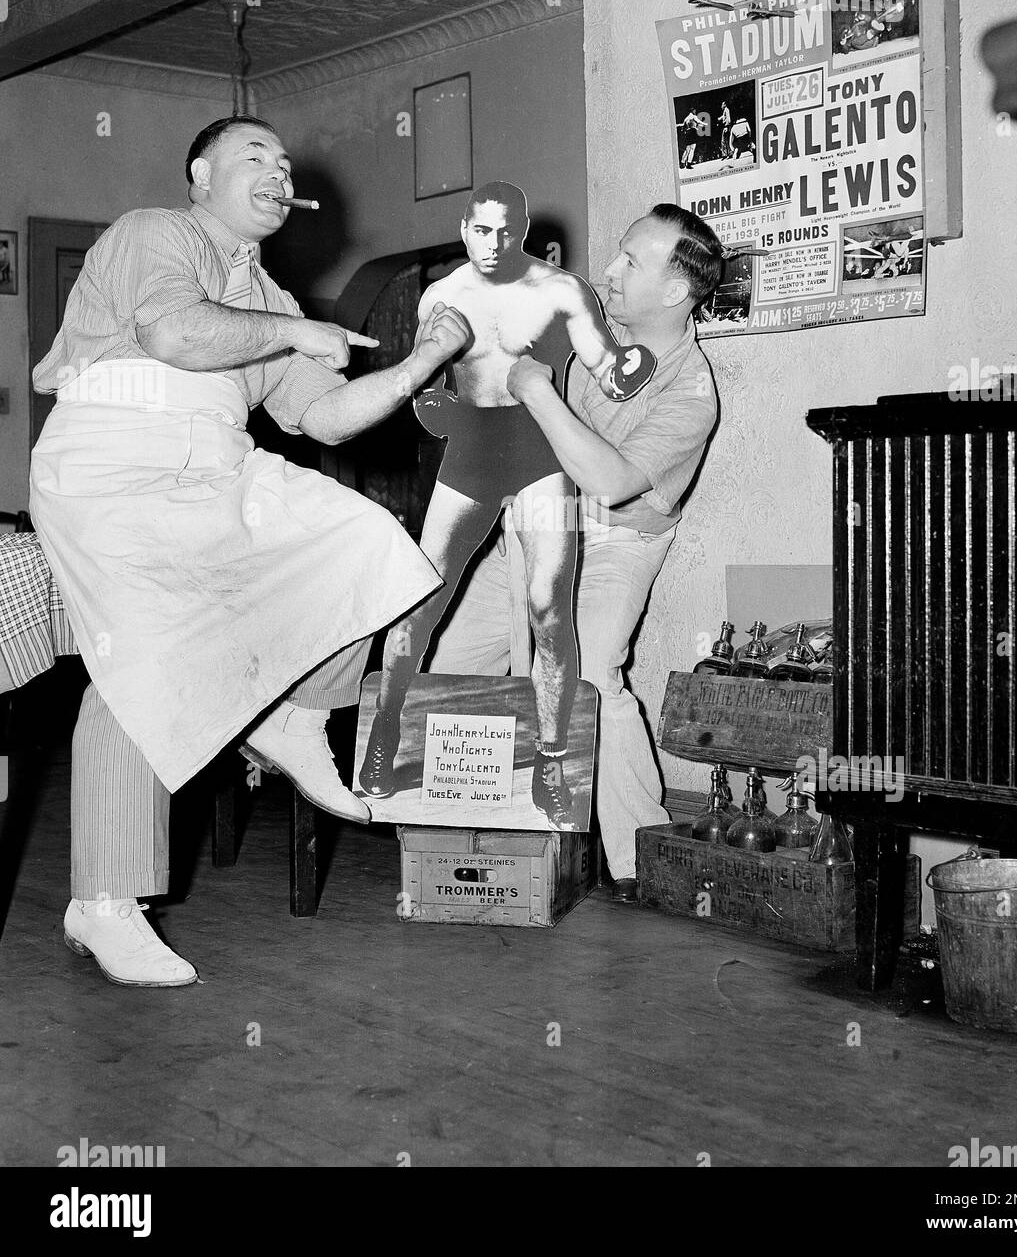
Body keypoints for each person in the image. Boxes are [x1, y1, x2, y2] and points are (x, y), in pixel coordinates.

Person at [29, 115, 470, 988]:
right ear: (199, 173)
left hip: (218, 468)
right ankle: (107, 904)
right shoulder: (154, 232)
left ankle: (297, 719)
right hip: (114, 464)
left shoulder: (271, 301)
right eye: (252, 156)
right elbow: (176, 336)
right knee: (146, 657)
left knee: (371, 543)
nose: (277, 171)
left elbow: (327, 416)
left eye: (284, 162)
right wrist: (297, 336)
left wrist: (424, 358)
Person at [428, 204, 721, 901]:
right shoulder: (578, 326)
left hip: (616, 540)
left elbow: (613, 481)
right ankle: (450, 846)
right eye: (614, 255)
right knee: (450, 670)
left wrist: (533, 388)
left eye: (630, 262)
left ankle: (639, 859)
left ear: (677, 290)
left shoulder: (691, 390)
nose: (608, 272)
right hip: (533, 523)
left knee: (586, 675)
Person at [359, 182, 657, 828]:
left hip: (540, 455)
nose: (492, 245)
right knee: (421, 597)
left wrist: (626, 368)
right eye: (480, 230)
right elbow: (427, 387)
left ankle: (551, 763)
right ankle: (385, 734)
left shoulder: (560, 290)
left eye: (505, 232)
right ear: (464, 228)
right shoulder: (440, 297)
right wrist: (429, 410)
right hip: (469, 453)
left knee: (549, 610)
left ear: (521, 231)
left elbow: (606, 364)